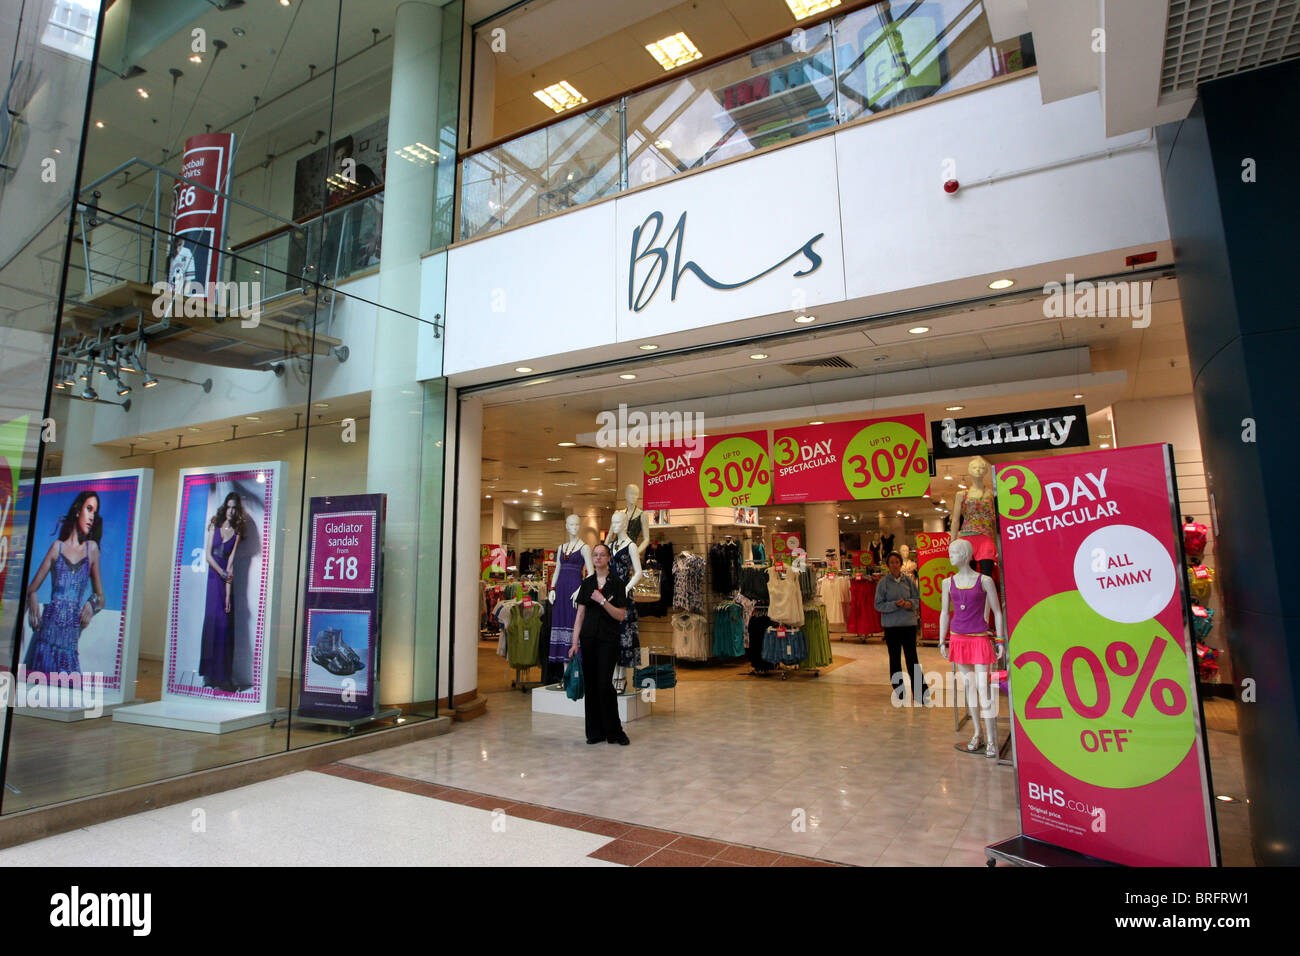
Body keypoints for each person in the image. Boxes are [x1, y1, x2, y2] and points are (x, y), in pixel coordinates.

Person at [24, 491, 105, 676]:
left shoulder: (91, 549)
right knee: (39, 691)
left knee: (68, 692)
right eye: (89, 509)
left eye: (95, 512)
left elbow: (101, 598)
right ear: (78, 511)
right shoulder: (57, 547)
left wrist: (91, 605)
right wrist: (34, 597)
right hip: (46, 635)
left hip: (70, 639)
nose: (92, 516)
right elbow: (32, 588)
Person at [569, 543, 630, 745]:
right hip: (588, 639)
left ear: (608, 558)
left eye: (602, 555)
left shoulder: (618, 584)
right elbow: (580, 615)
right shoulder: (587, 584)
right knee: (592, 686)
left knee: (605, 685)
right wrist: (574, 642)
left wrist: (603, 601)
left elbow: (621, 615)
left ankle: (614, 731)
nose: (597, 558)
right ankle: (595, 732)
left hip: (608, 640)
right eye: (595, 555)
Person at [200, 492, 244, 692]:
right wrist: (222, 573)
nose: (231, 511)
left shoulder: (236, 534)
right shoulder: (214, 526)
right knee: (212, 624)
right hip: (213, 579)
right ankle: (209, 676)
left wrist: (228, 596)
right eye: (229, 507)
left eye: (234, 508)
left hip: (225, 582)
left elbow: (231, 565)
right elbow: (208, 556)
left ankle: (223, 677)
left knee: (224, 626)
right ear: (225, 507)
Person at [874, 550, 926, 706]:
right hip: (891, 627)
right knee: (895, 659)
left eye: (897, 562)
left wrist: (910, 604)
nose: (895, 565)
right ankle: (899, 692)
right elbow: (878, 604)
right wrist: (894, 605)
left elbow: (917, 599)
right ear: (888, 565)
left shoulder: (908, 581)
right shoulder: (883, 583)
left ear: (901, 564)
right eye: (892, 563)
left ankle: (920, 693)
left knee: (912, 659)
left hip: (908, 626)